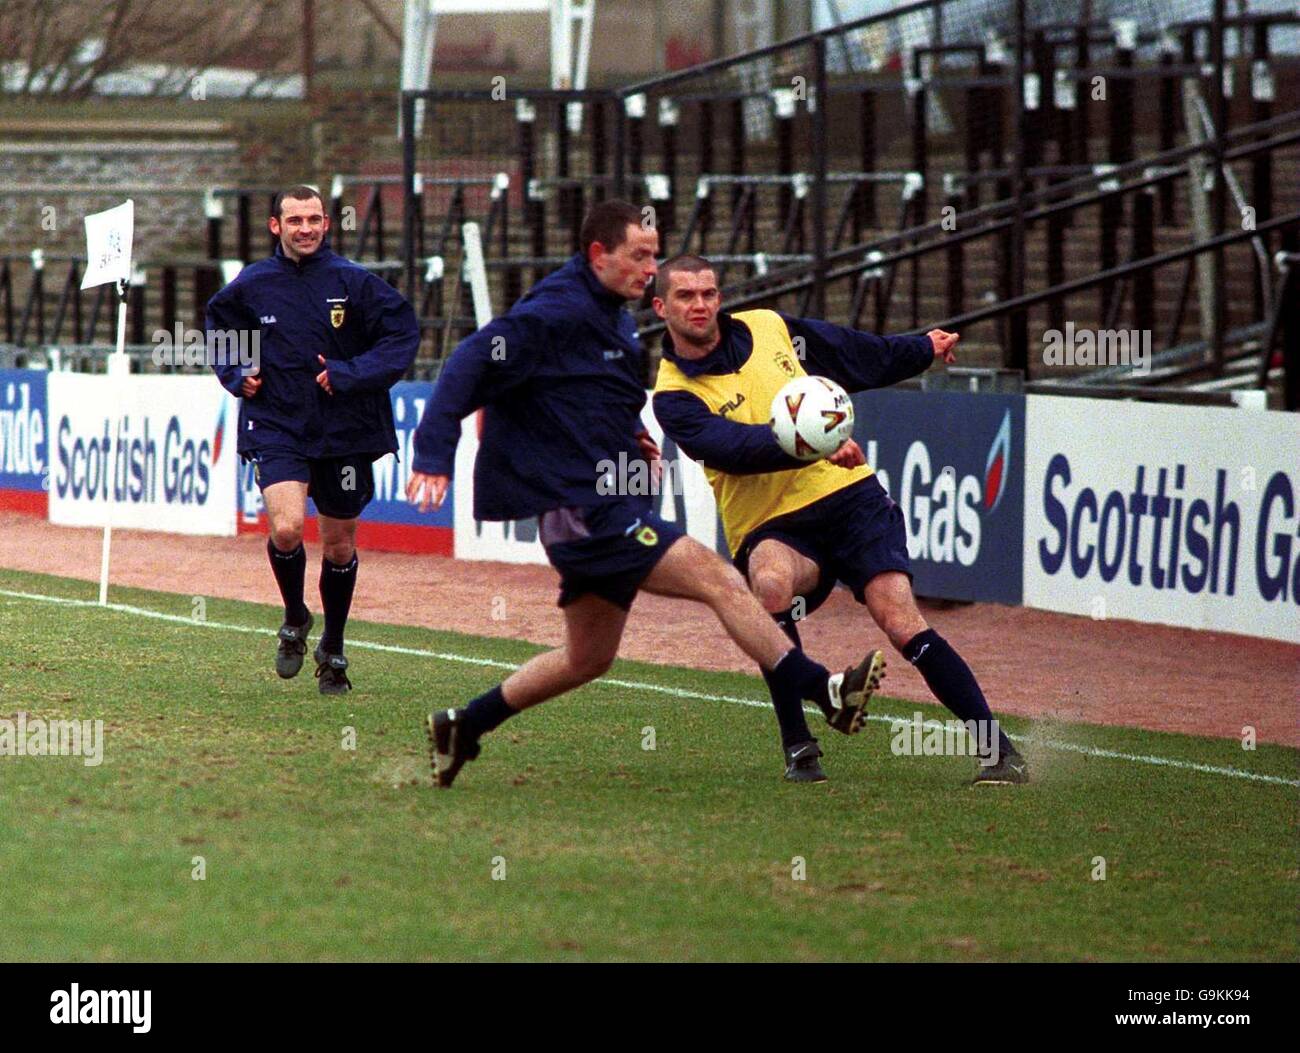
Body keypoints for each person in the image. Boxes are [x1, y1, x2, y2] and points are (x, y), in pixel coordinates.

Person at [406, 199, 884, 788]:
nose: (649, 269)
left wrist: (629, 435)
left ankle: (463, 725)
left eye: (654, 256)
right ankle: (825, 692)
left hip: (604, 504)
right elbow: (468, 362)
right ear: (598, 254)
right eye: (639, 256)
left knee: (588, 659)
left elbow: (589, 393)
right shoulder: (557, 309)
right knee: (721, 579)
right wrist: (432, 453)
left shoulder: (614, 315)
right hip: (585, 510)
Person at [650, 253, 1028, 785]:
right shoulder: (673, 395)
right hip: (772, 523)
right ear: (661, 305)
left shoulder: (768, 326)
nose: (701, 305)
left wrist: (920, 349)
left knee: (899, 621)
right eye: (686, 296)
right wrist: (810, 446)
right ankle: (800, 748)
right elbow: (732, 447)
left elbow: (850, 353)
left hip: (850, 498)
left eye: (709, 293)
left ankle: (1000, 753)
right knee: (771, 587)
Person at [206, 184, 420, 694]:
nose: (305, 229)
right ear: (275, 227)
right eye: (295, 220)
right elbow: (220, 329)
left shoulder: (355, 282)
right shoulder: (252, 284)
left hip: (344, 429)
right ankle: (295, 615)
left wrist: (352, 372)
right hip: (277, 424)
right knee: (285, 528)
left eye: (314, 220)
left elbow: (402, 336)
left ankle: (335, 649)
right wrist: (238, 374)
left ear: (327, 223)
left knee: (340, 544)